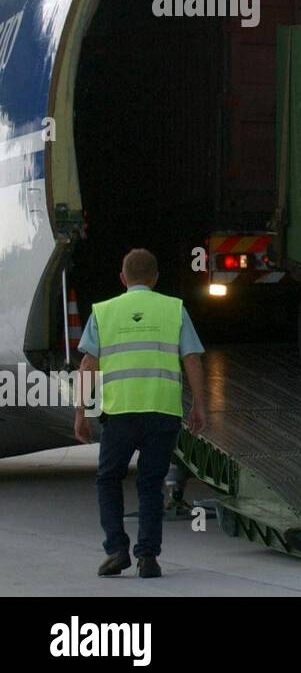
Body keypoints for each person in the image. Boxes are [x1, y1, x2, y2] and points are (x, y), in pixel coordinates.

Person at [73, 248, 207, 578]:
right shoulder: (173, 309)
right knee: (150, 483)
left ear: (122, 277)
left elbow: (88, 365)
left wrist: (82, 413)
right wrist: (199, 405)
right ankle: (148, 557)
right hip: (162, 411)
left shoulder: (103, 312)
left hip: (120, 414)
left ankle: (117, 549)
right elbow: (191, 358)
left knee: (108, 478)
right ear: (156, 278)